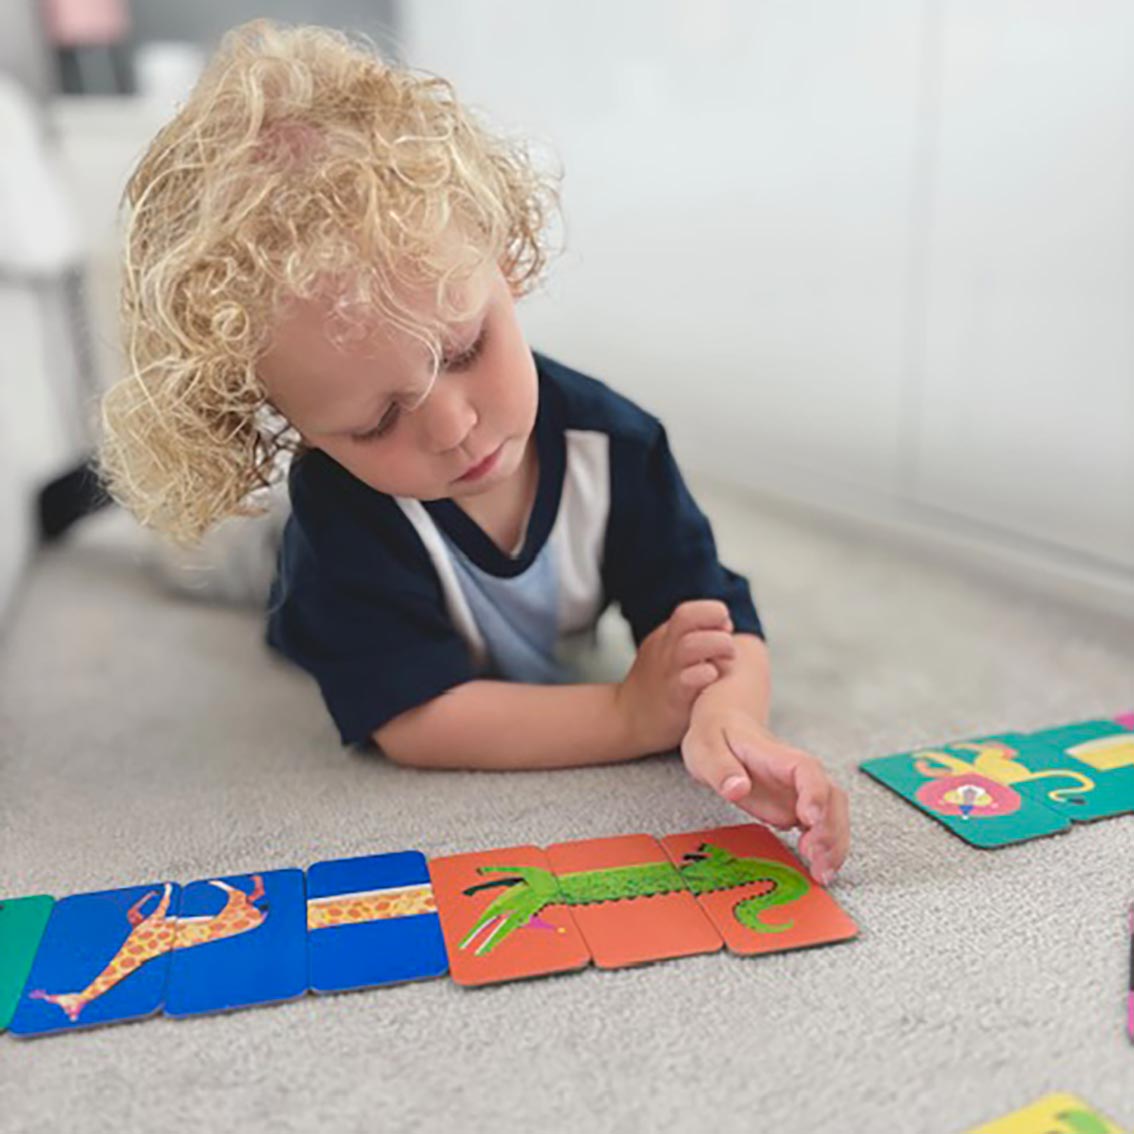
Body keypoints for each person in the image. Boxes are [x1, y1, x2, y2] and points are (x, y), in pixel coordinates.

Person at [99, 20, 849, 882]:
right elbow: (413, 719)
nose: (452, 425)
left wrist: (732, 722)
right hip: (290, 561)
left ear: (504, 259)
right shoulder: (339, 509)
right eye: (376, 420)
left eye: (462, 352)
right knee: (212, 559)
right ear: (288, 424)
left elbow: (711, 615)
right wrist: (623, 714)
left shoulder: (618, 445)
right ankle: (113, 524)